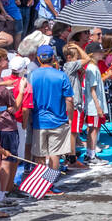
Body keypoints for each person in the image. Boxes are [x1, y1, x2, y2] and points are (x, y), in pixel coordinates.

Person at [29, 44, 75, 188]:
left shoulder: (32, 75)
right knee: (55, 154)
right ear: (53, 58)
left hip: (38, 121)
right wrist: (71, 117)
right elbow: (69, 100)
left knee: (40, 155)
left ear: (38, 58)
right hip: (58, 120)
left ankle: (41, 184)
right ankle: (49, 183)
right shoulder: (61, 75)